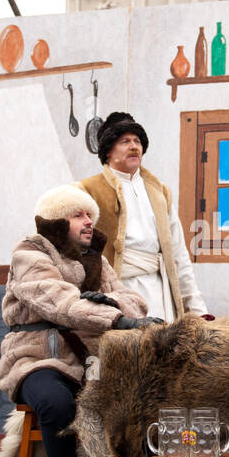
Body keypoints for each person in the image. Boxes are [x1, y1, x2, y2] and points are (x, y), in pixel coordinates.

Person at [0, 185, 156, 457]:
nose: (88, 222)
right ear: (56, 220)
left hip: (89, 361)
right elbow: (58, 301)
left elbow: (133, 299)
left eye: (89, 215)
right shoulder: (30, 254)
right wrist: (114, 317)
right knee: (56, 403)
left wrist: (114, 304)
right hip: (36, 358)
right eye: (78, 215)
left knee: (141, 395)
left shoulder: (94, 259)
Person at [76, 112, 208, 321]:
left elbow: (178, 253)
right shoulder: (87, 190)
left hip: (159, 293)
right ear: (108, 151)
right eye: (125, 141)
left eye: (137, 141)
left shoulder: (159, 192)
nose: (134, 146)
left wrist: (197, 309)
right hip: (115, 294)